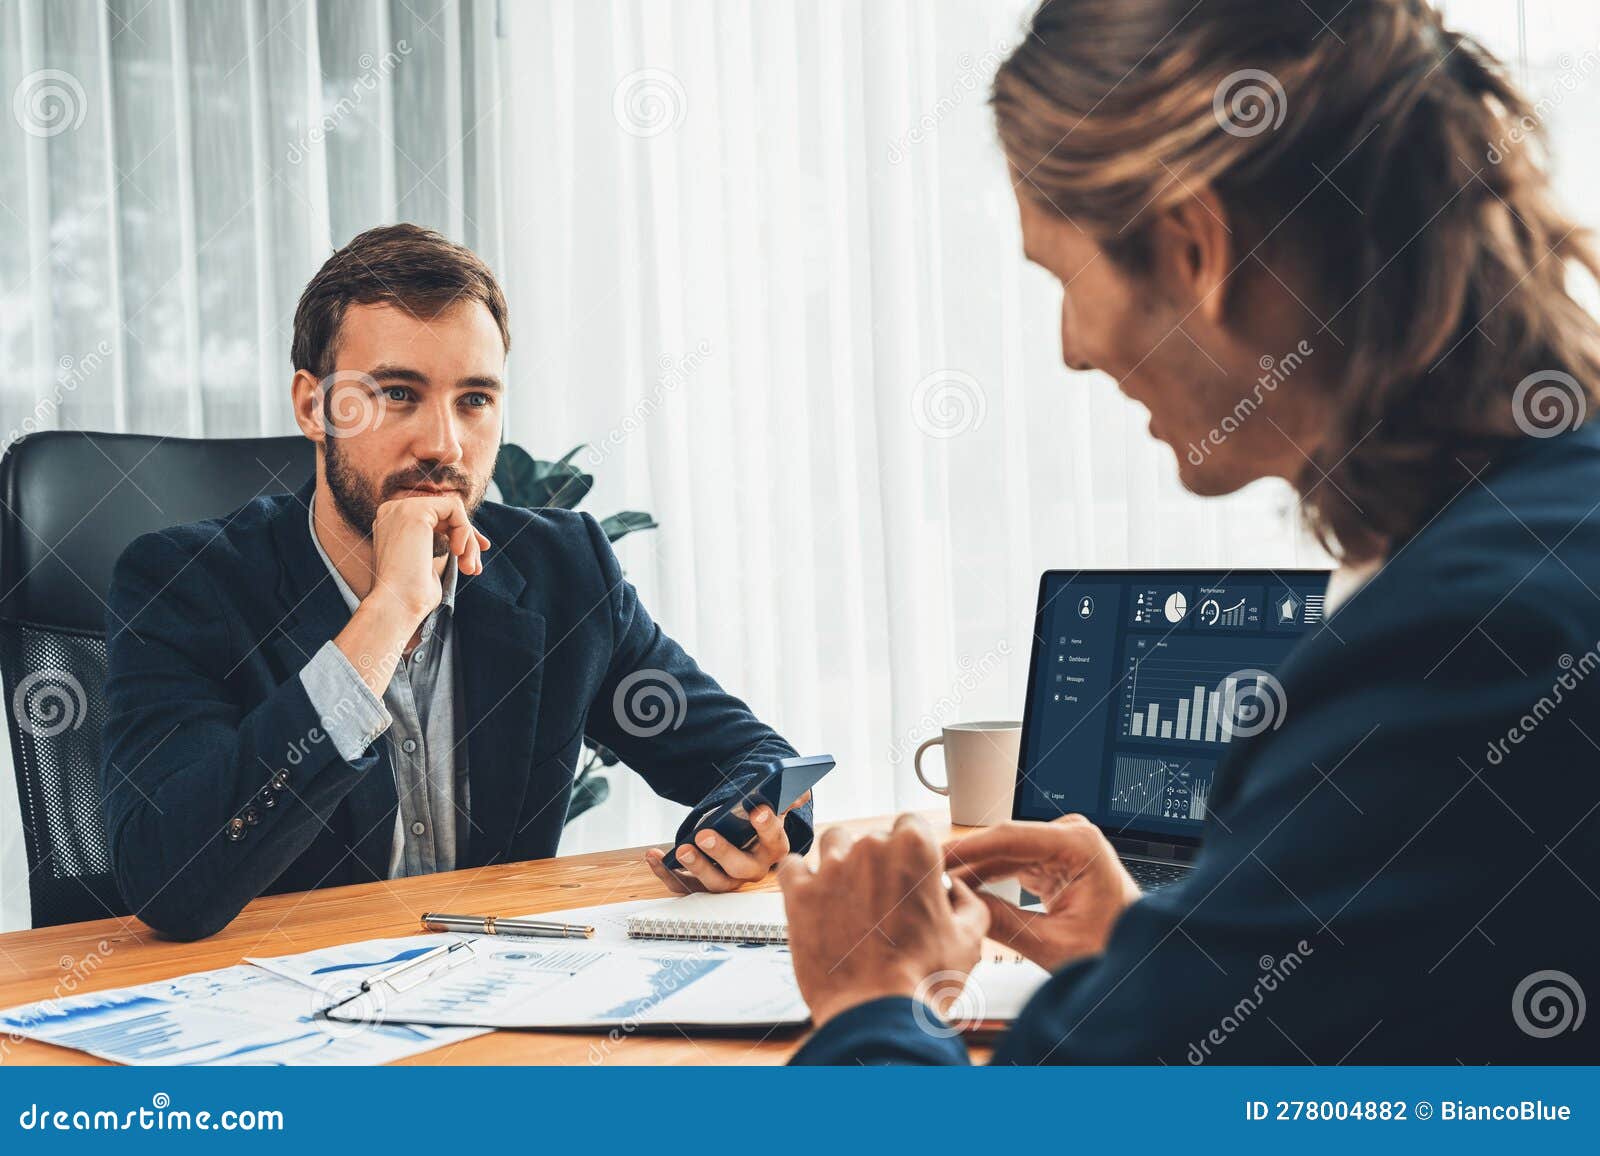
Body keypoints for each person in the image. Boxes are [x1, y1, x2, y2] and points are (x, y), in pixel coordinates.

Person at [781, 0, 1600, 1064]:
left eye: (1062, 280)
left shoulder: (1459, 649)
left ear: (1194, 247)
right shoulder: (1540, 542)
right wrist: (1177, 957)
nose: (1072, 349)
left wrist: (870, 996)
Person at [100, 224, 810, 941]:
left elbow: (765, 765)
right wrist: (389, 612)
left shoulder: (563, 569)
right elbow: (171, 882)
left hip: (492, 1006)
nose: (443, 444)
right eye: (400, 393)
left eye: (474, 400)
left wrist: (743, 837)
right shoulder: (184, 585)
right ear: (313, 407)